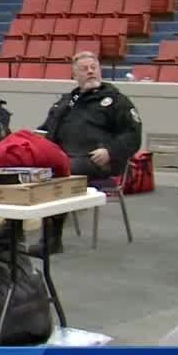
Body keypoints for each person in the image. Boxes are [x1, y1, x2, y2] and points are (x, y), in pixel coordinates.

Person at [38, 51, 142, 255]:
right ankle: (11, 231)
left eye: (93, 68)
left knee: (60, 173)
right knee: (25, 169)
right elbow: (45, 130)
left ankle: (51, 241)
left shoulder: (116, 101)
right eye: (84, 69)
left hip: (98, 161)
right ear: (74, 75)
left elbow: (133, 135)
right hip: (64, 157)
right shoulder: (66, 102)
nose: (90, 72)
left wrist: (110, 151)